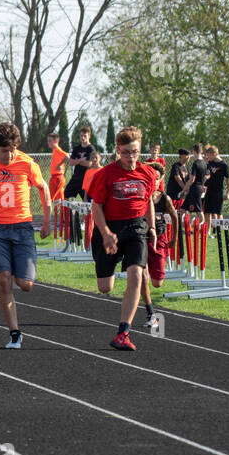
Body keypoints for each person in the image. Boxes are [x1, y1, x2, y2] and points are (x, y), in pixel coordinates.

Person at [0, 121, 51, 348]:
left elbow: (43, 188)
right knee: (4, 280)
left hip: (22, 228)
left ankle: (18, 271)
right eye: (4, 151)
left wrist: (48, 220)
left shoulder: (27, 163)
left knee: (25, 284)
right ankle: (14, 332)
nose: (9, 155)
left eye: (13, 149)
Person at [88, 125, 159, 352]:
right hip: (109, 227)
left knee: (136, 274)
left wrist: (153, 228)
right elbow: (96, 206)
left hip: (136, 226)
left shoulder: (148, 173)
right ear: (118, 150)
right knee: (105, 287)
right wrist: (107, 233)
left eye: (135, 152)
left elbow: (147, 200)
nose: (131, 157)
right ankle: (113, 266)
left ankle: (123, 332)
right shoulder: (105, 174)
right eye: (126, 152)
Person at [141, 159, 174, 329]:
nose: (154, 180)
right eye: (151, 177)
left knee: (157, 283)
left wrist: (174, 238)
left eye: (157, 177)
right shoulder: (141, 195)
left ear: (161, 180)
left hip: (159, 239)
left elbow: (175, 217)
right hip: (141, 238)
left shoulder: (164, 198)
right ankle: (150, 313)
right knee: (141, 276)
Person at [201, 145, 229, 231]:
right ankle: (207, 231)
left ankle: (219, 231)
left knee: (218, 212)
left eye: (208, 155)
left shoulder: (223, 165)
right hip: (208, 191)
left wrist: (228, 193)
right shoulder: (209, 163)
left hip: (218, 191)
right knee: (207, 212)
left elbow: (228, 179)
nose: (207, 157)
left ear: (214, 154)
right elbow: (207, 175)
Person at [66, 127, 95, 200]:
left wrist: (76, 161)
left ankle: (88, 212)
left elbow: (89, 164)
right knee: (65, 195)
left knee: (88, 201)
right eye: (81, 136)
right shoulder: (76, 148)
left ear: (89, 136)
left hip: (86, 179)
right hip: (76, 178)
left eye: (85, 136)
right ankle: (72, 212)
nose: (82, 137)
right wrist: (81, 160)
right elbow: (71, 163)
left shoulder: (90, 148)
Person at [46, 132, 68, 214]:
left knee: (52, 198)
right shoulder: (54, 151)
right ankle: (61, 217)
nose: (48, 143)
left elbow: (67, 156)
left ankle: (57, 216)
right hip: (56, 177)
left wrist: (60, 165)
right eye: (48, 141)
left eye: (50, 141)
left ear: (56, 141)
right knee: (59, 199)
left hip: (58, 178)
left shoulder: (58, 150)